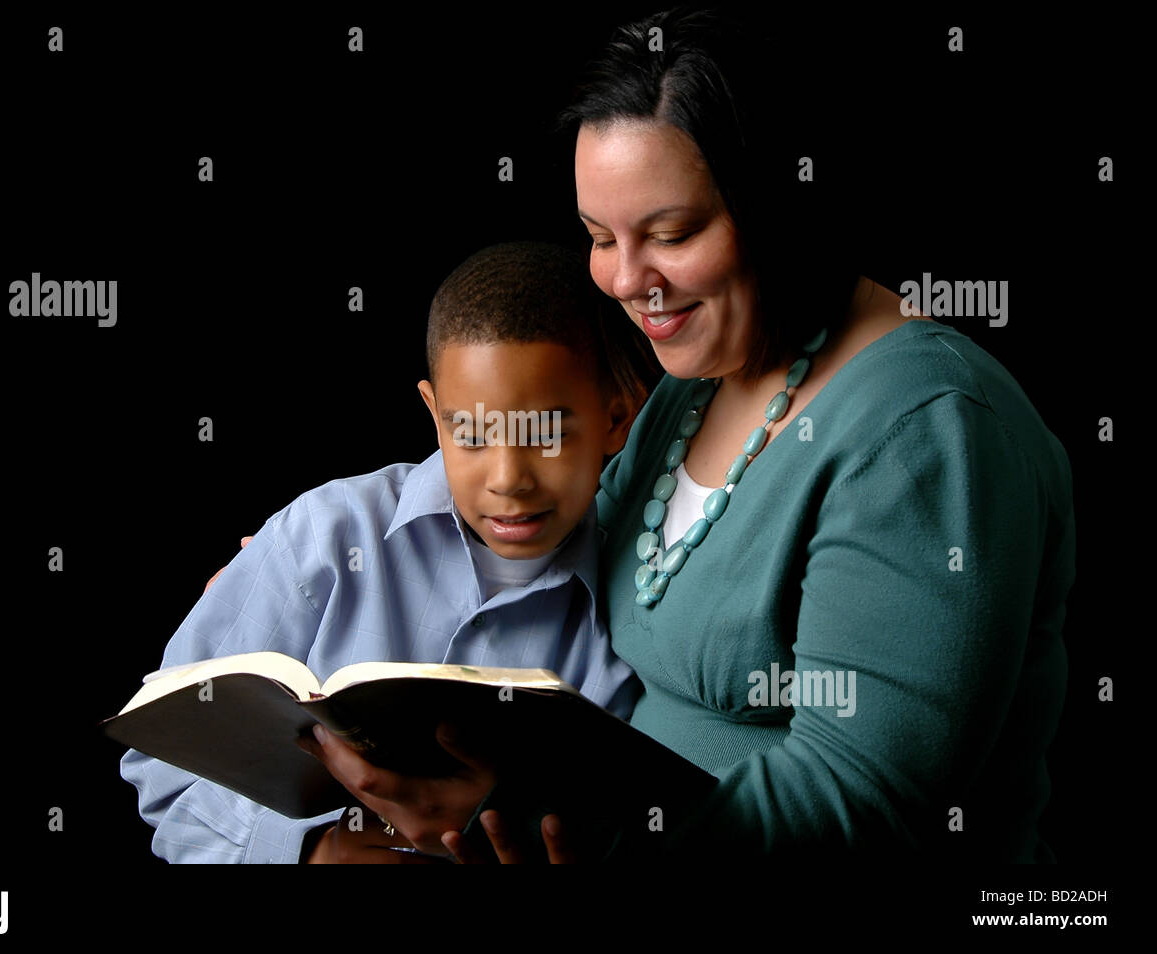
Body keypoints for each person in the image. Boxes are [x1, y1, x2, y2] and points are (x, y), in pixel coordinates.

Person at [302, 6, 1075, 863]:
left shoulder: (928, 431)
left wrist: (539, 816)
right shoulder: (696, 380)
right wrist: (330, 540)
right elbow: (549, 486)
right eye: (600, 238)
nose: (630, 282)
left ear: (778, 203)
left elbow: (862, 800)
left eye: (671, 235)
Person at [119, 241, 661, 862]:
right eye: (473, 434)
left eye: (545, 434)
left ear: (618, 417)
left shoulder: (631, 617)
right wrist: (313, 851)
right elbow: (162, 762)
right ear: (434, 414)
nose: (509, 478)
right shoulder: (321, 537)